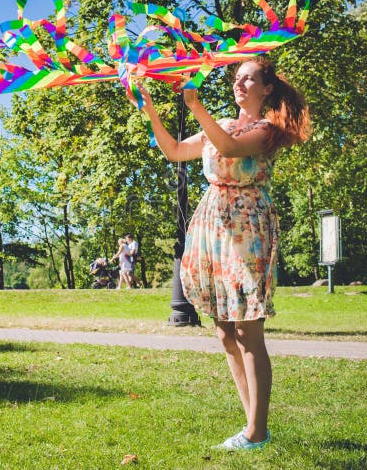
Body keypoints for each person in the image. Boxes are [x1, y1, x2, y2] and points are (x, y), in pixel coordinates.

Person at [127, 56, 310, 451]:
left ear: (267, 90)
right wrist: (151, 112)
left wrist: (195, 105)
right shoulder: (222, 124)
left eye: (250, 79)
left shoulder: (267, 130)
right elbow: (175, 151)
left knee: (248, 328)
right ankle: (253, 428)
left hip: (247, 228)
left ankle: (256, 432)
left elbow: (228, 148)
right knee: (225, 329)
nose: (240, 84)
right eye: (237, 78)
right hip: (213, 226)